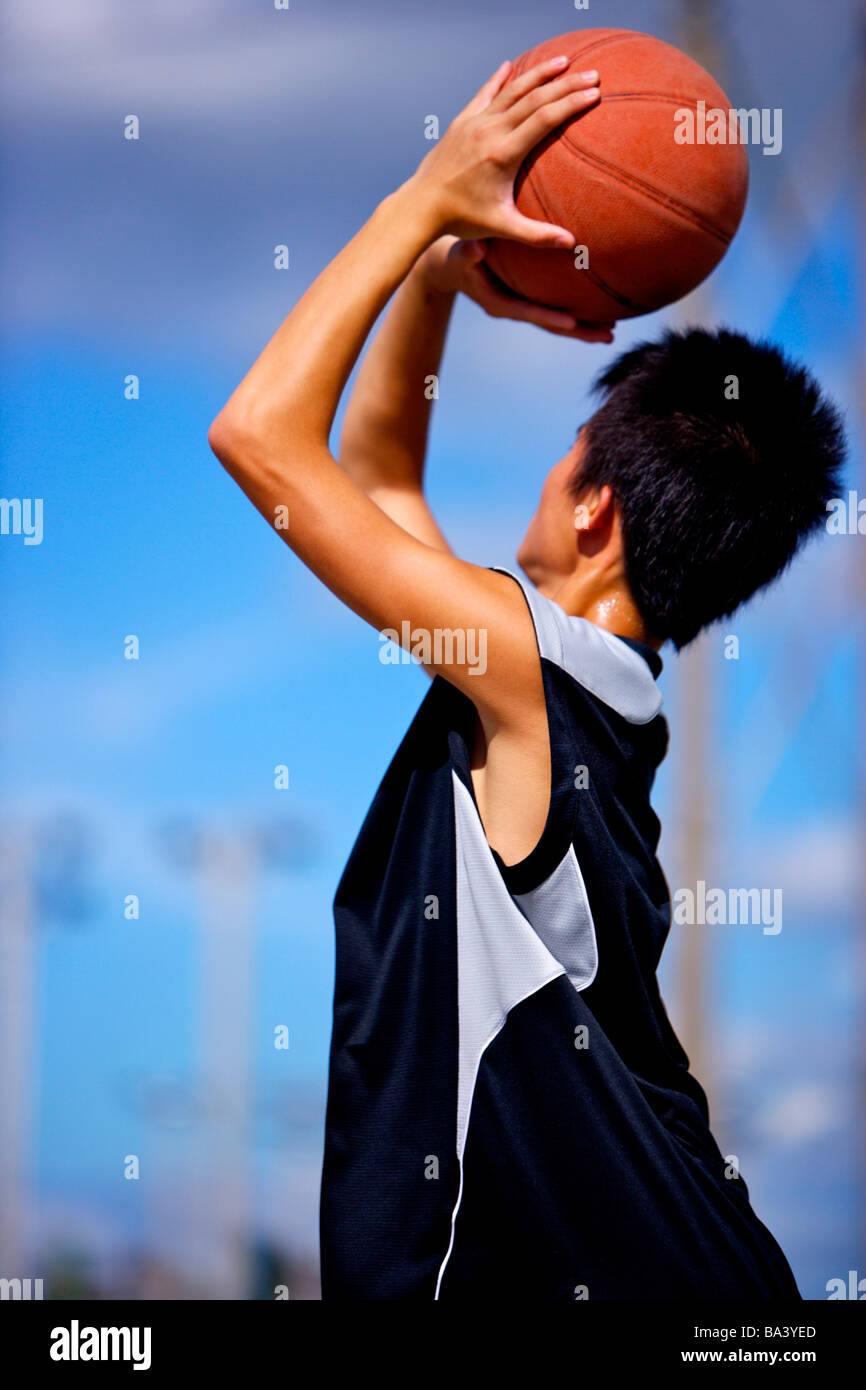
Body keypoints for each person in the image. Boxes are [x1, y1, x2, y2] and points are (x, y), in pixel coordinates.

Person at [208, 54, 845, 1299]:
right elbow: (385, 478)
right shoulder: (579, 697)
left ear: (597, 510)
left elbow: (261, 435)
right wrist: (439, 280)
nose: (543, 482)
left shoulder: (526, 672)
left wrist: (425, 200)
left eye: (562, 459)